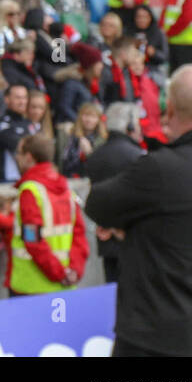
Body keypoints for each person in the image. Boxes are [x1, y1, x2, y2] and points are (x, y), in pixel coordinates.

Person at [86, 66, 192, 356]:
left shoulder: (162, 169)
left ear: (171, 110)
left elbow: (98, 204)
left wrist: (124, 225)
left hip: (153, 339)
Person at [0, 133, 88, 295]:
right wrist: (73, 271)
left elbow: (32, 239)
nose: (17, 158)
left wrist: (58, 273)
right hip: (64, 286)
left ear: (29, 157)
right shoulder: (66, 190)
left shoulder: (30, 191)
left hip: (30, 287)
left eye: (19, 153)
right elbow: (79, 235)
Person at [80, 102, 143, 282]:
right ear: (129, 126)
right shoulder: (138, 156)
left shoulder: (95, 156)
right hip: (132, 238)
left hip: (105, 236)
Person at [0, 83, 35, 182]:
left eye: (25, 97)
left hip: (30, 177)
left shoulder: (29, 123)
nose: (22, 102)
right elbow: (21, 146)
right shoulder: (2, 124)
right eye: (18, 98)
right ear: (7, 99)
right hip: (9, 180)